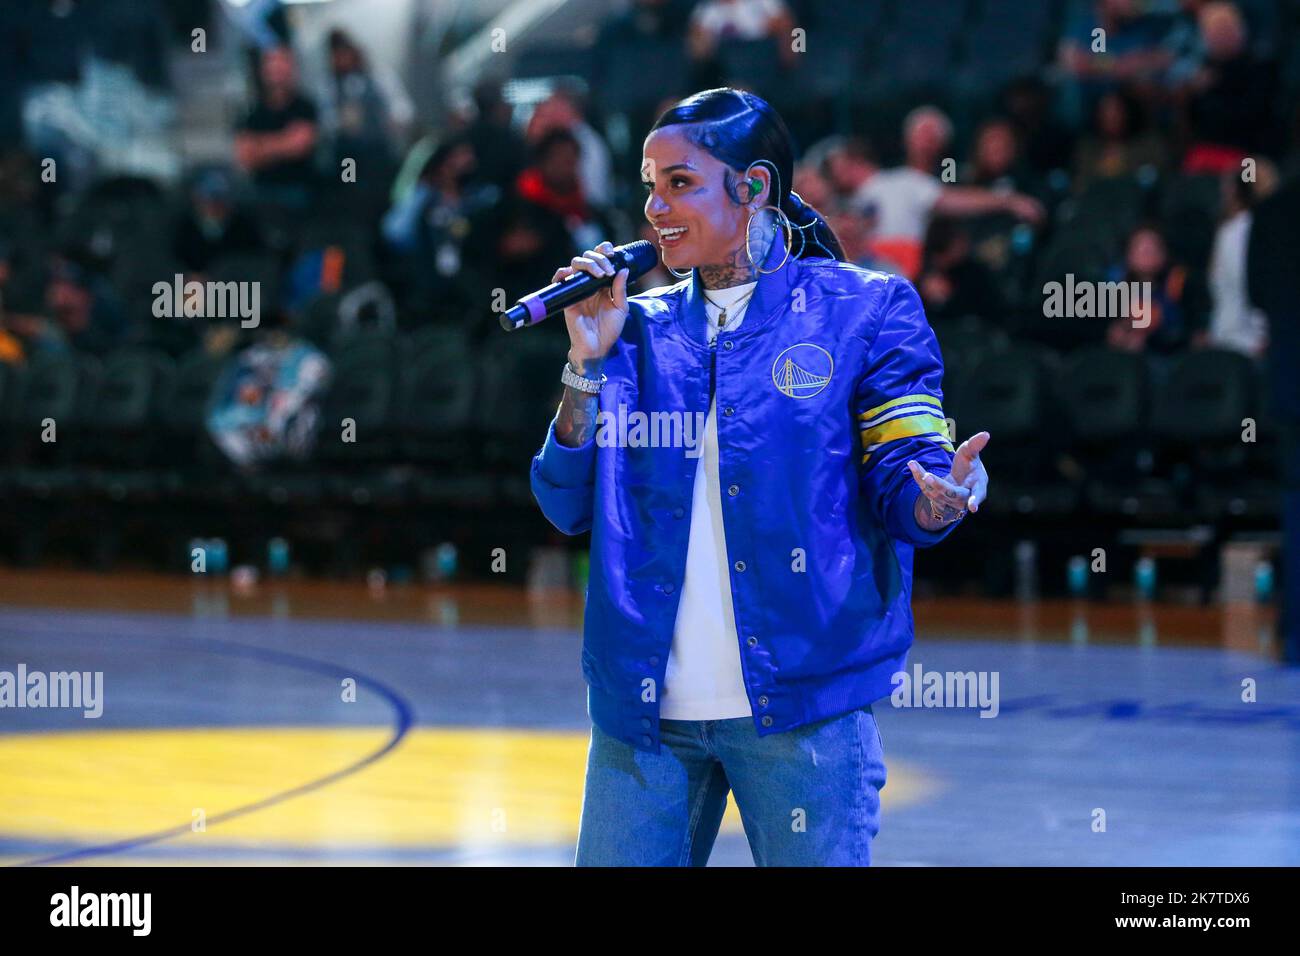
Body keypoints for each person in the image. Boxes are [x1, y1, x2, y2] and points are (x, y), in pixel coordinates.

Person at [528, 88, 990, 866]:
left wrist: (937, 497)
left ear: (753, 188)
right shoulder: (633, 328)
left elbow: (904, 469)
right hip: (642, 717)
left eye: (680, 183)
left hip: (803, 711)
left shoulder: (864, 312)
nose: (654, 208)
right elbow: (564, 506)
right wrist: (584, 363)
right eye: (649, 185)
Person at [233, 45, 320, 209]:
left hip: (299, 191)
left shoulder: (305, 107)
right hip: (262, 191)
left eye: (283, 62)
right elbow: (245, 157)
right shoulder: (251, 111)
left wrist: (260, 145)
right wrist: (284, 141)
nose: (277, 68)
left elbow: (300, 146)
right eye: (272, 62)